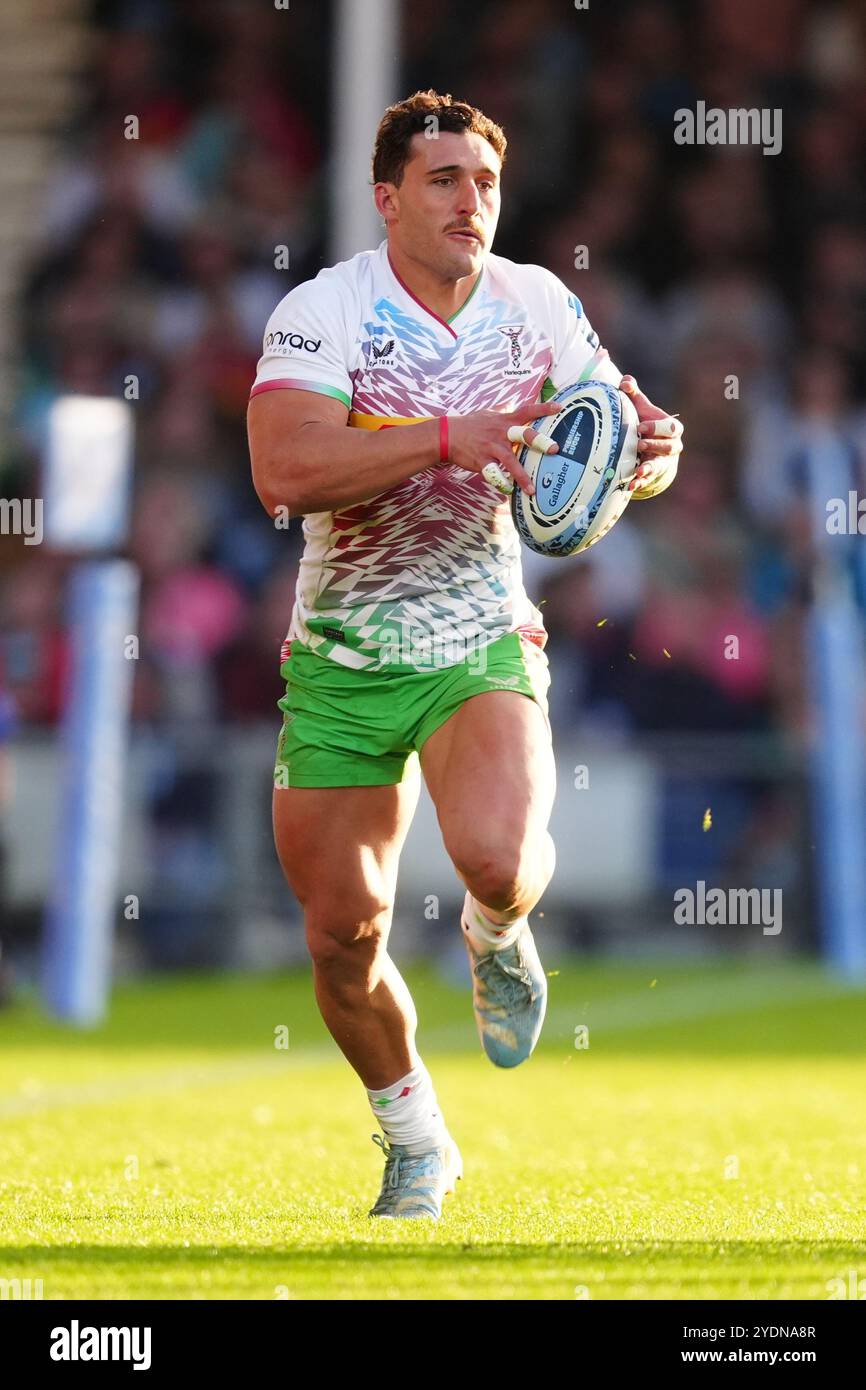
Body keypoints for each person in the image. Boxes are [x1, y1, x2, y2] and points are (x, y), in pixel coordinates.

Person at [247, 90, 684, 1219]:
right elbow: (284, 473)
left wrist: (652, 452)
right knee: (341, 938)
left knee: (495, 855)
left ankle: (498, 934)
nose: (469, 200)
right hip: (342, 654)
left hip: (475, 632)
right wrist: (443, 436)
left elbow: (609, 435)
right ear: (386, 199)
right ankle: (417, 1137)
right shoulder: (322, 311)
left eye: (484, 181)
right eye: (443, 180)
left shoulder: (536, 304)